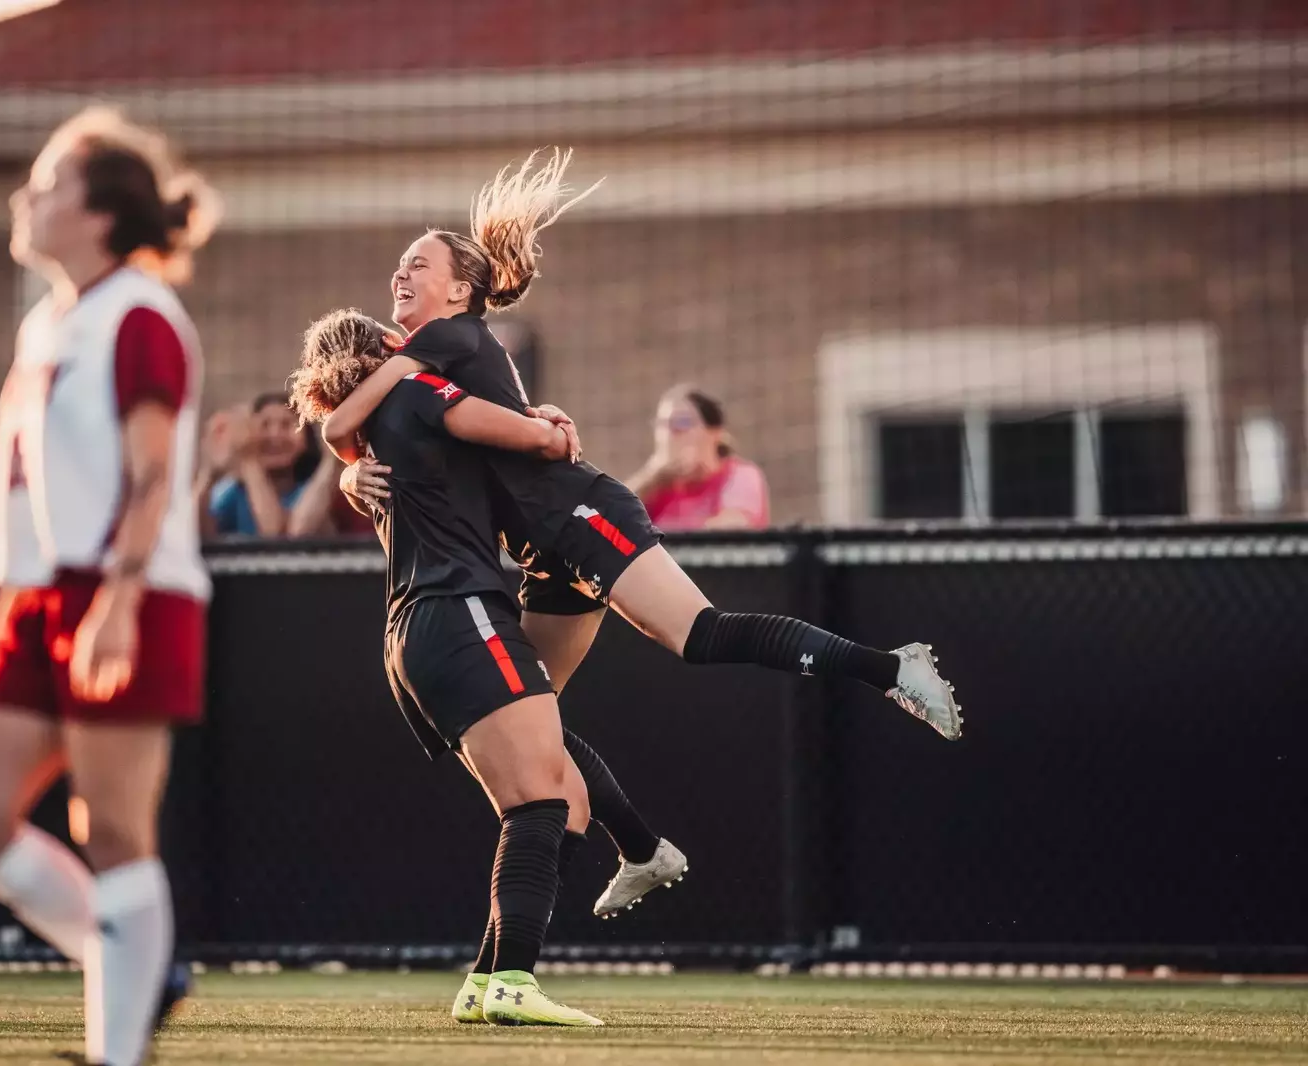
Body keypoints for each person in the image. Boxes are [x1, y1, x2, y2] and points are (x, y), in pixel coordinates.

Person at [324, 148, 963, 745]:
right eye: (401, 264)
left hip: (576, 517)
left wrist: (366, 423)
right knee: (525, 719)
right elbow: (400, 445)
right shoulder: (440, 359)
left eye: (418, 264)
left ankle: (891, 669)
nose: (399, 273)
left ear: (460, 290)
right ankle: (604, 831)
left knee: (701, 635)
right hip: (542, 548)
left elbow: (339, 424)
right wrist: (355, 474)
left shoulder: (440, 341)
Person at [0, 106, 217, 1066]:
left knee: (113, 831)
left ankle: (118, 1047)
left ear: (100, 215)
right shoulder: (50, 321)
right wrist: (11, 605)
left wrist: (121, 601)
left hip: (128, 592)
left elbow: (153, 476)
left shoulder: (139, 313)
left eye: (49, 182)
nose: (27, 196)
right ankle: (144, 970)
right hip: (43, 595)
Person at [290, 309, 613, 1026]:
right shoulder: (416, 392)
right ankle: (514, 984)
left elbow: (345, 435)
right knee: (539, 802)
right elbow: (538, 441)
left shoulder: (370, 429)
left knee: (564, 795)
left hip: (419, 630)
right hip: (460, 611)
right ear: (385, 349)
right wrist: (551, 424)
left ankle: (486, 977)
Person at [628, 386, 771, 531]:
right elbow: (615, 523)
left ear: (715, 432)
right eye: (662, 425)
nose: (670, 434)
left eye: (683, 422)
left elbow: (734, 528)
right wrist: (649, 479)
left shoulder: (739, 475)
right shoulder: (657, 488)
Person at [197, 392, 324, 538]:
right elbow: (194, 530)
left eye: (286, 425)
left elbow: (276, 535)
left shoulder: (315, 490)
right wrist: (209, 473)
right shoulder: (234, 491)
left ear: (307, 438)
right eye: (265, 425)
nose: (275, 435)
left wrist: (249, 458)